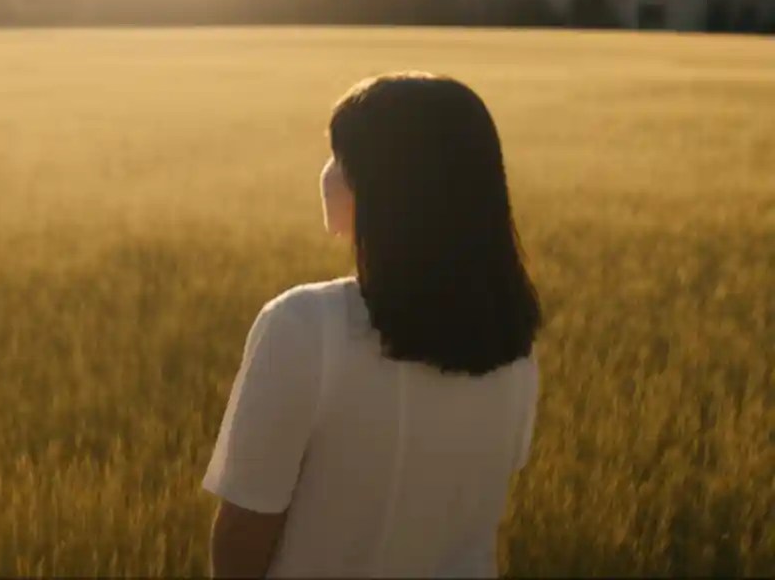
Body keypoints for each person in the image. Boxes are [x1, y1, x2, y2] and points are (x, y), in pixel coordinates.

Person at [202, 72, 543, 578]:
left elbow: (241, 537)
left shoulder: (302, 328)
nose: (330, 173)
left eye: (344, 158)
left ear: (386, 187)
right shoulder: (514, 344)